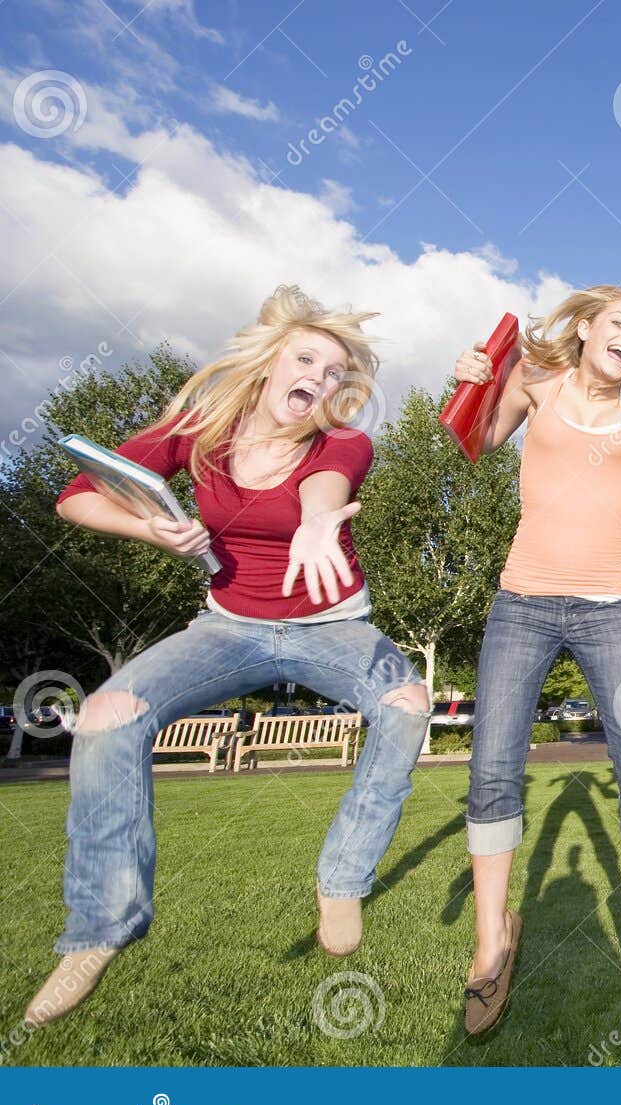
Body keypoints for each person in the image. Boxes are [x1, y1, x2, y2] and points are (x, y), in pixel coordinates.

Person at [25, 286, 432, 1028]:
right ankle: (100, 927)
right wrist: (158, 533)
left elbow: (325, 489)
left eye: (338, 371)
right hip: (227, 625)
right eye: (307, 358)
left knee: (407, 706)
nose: (322, 376)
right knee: (105, 717)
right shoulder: (198, 429)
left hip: (334, 625)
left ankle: (342, 877)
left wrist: (316, 528)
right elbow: (76, 497)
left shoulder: (342, 442)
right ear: (271, 361)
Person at [450, 286, 621, 1034]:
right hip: (523, 601)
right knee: (493, 764)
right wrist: (471, 378)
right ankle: (490, 943)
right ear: (587, 325)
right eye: (619, 326)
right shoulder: (536, 378)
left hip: (609, 606)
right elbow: (474, 443)